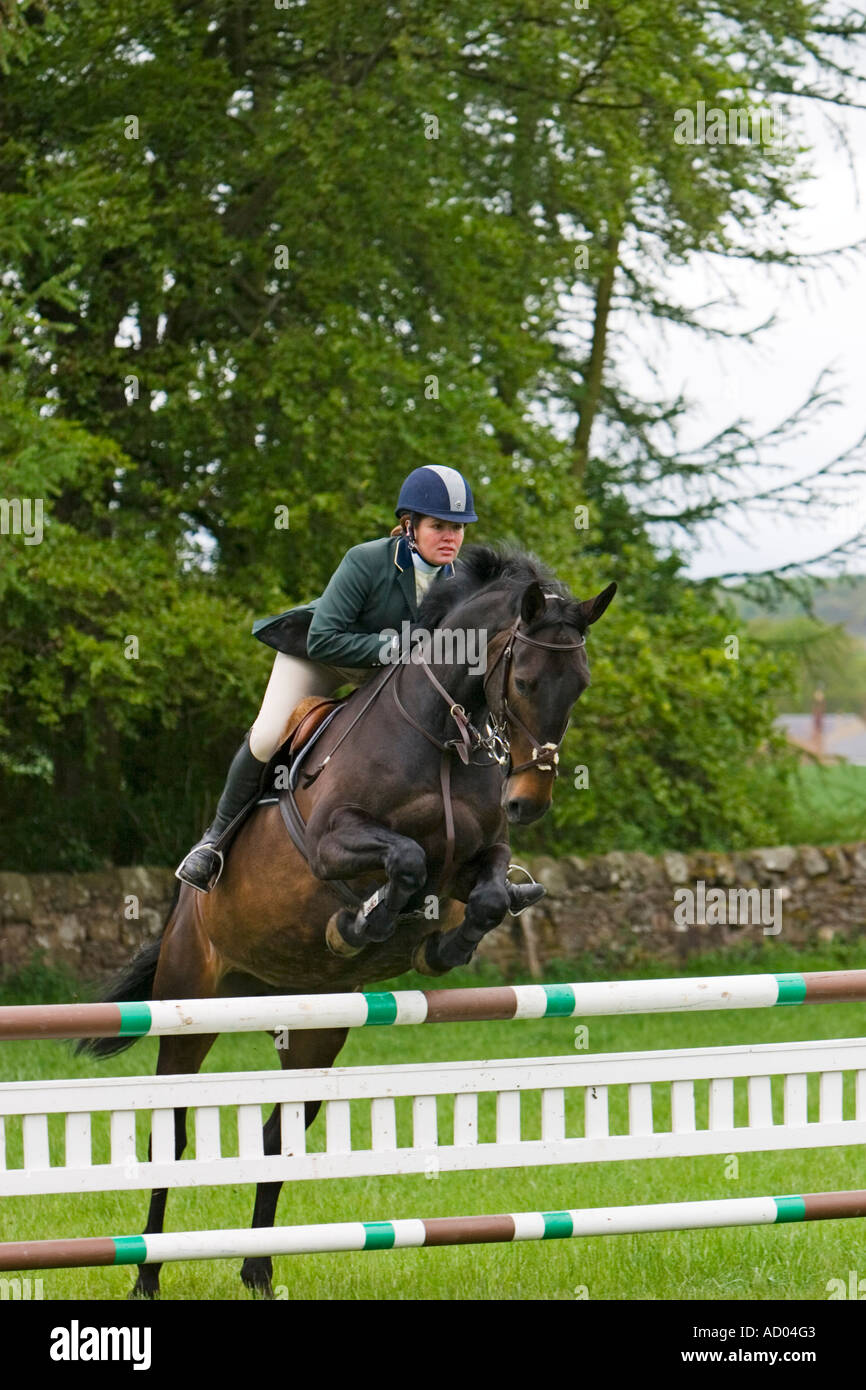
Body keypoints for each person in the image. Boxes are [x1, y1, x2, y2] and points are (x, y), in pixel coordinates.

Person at [175, 466, 478, 891]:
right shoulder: (367, 560)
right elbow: (324, 639)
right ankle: (214, 842)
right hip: (321, 656)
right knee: (265, 737)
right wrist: (396, 649)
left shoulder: (462, 585)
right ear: (410, 526)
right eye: (439, 526)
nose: (451, 537)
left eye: (458, 528)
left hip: (380, 677)